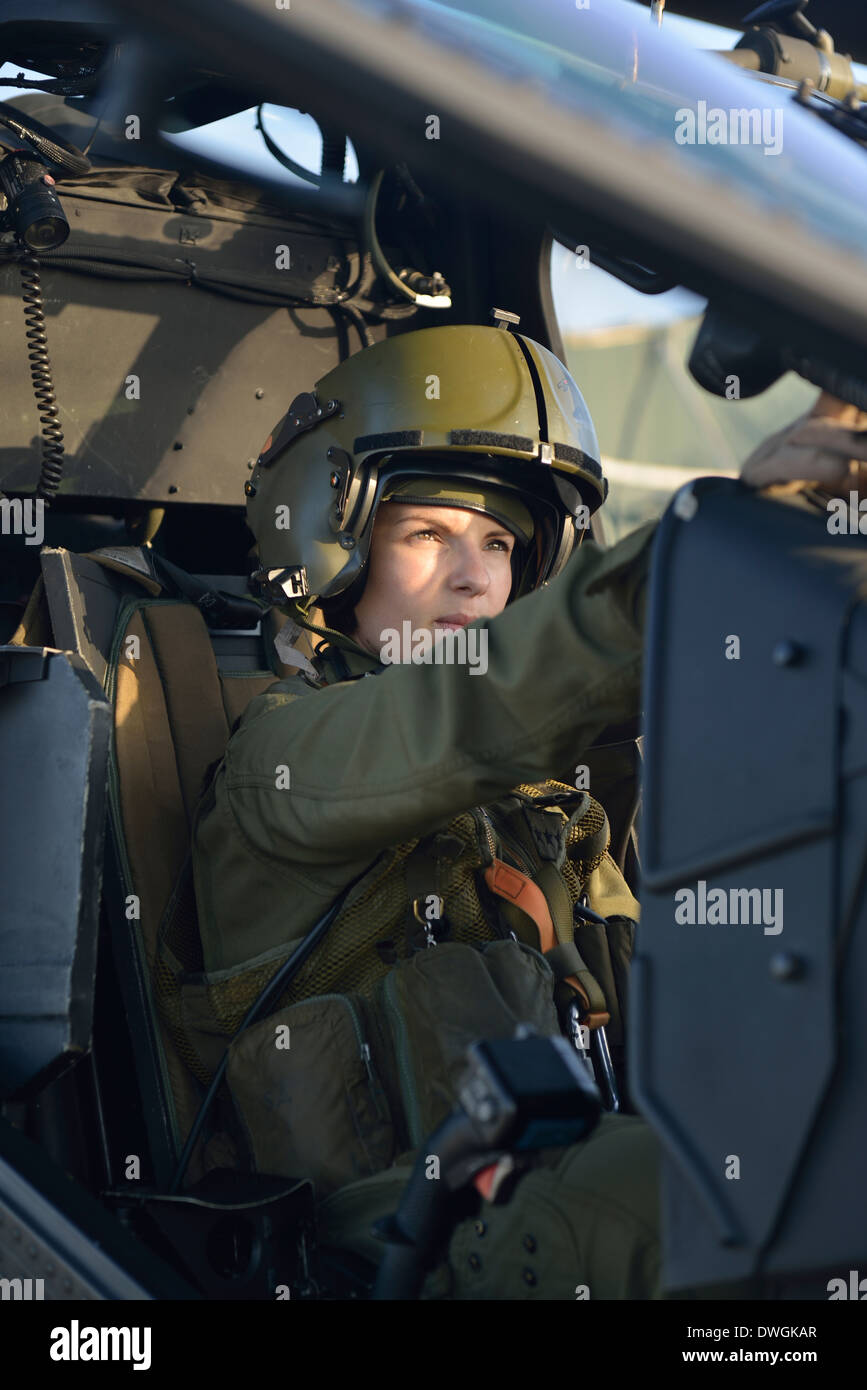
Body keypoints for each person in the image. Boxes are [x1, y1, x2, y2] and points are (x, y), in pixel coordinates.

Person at [187, 324, 867, 1300]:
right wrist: (718, 551)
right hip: (383, 1249)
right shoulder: (281, 766)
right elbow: (475, 706)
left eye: (500, 543)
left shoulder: (548, 809)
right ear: (328, 544)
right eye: (427, 534)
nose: (475, 576)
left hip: (552, 1192)